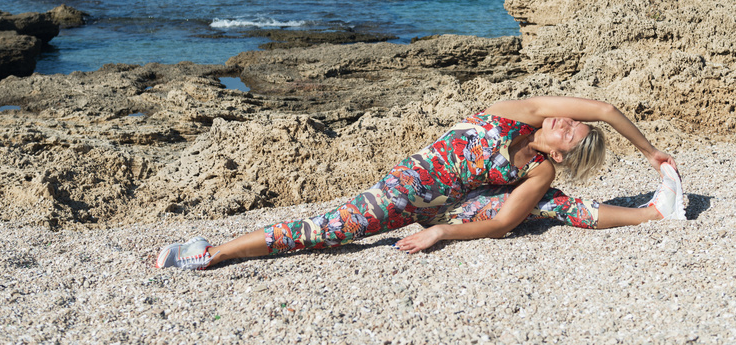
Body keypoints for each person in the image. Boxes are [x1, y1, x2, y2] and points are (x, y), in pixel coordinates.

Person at [156, 96, 685, 270]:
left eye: (573, 132)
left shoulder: (540, 170)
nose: (566, 122)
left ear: (567, 152)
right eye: (568, 119)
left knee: (553, 207)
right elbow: (606, 108)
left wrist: (443, 234)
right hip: (403, 193)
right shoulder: (516, 115)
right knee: (328, 230)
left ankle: (654, 213)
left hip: (452, 210)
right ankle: (214, 252)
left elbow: (502, 221)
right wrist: (651, 151)